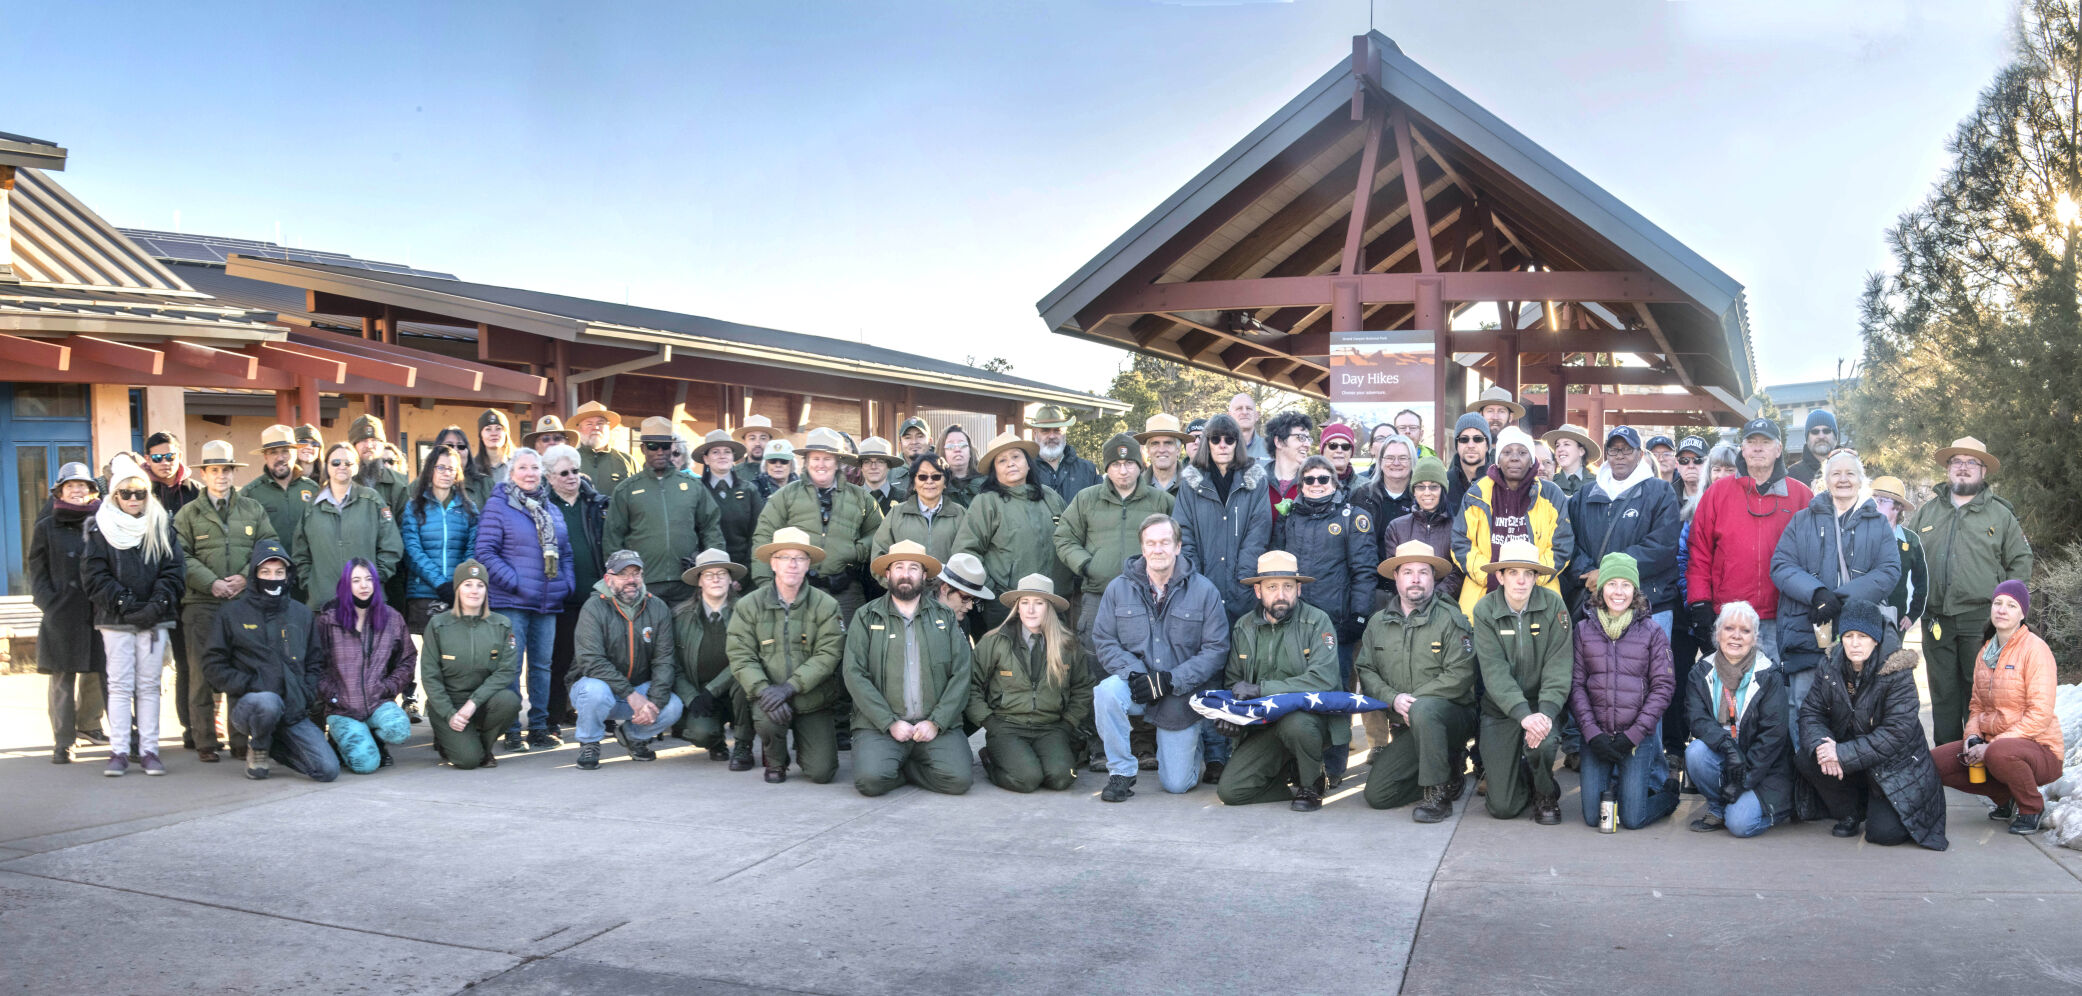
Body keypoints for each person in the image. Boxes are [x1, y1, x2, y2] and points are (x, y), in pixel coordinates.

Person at [1905, 436, 2034, 747]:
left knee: (1980, 691)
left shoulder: (2000, 516)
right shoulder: (1927, 512)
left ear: (1983, 471)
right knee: (1943, 691)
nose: (1963, 468)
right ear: (1948, 469)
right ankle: (1949, 758)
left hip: (1981, 619)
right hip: (1936, 620)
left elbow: (2020, 560)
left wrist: (2009, 610)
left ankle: (1981, 755)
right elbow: (1906, 557)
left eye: (1970, 463)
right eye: (1957, 462)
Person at [1090, 514, 1229, 801]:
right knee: (1106, 692)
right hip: (1136, 686)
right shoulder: (1118, 588)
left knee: (1176, 784)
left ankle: (1195, 742)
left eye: (1165, 542)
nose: (1158, 549)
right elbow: (1104, 639)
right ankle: (1121, 771)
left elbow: (1216, 649)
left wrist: (1170, 680)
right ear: (1142, 548)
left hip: (1180, 695)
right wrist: (1136, 674)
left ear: (1178, 546)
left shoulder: (1204, 591)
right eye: (1151, 543)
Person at [1768, 448, 1901, 748]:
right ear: (1825, 480)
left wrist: (1838, 598)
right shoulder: (1803, 520)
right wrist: (1816, 593)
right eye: (1836, 473)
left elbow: (1889, 570)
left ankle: (1846, 783)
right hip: (1807, 632)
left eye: (1850, 473)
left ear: (1861, 480)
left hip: (1857, 638)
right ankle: (1808, 781)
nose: (1843, 479)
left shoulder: (1877, 523)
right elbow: (1781, 565)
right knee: (1804, 708)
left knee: (1857, 712)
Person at [1794, 600, 1948, 849]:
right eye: (1849, 635)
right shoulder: (1830, 665)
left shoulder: (1897, 672)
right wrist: (1824, 747)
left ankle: (1874, 803)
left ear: (1876, 639)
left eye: (1863, 636)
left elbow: (1895, 733)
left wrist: (1841, 753)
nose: (1855, 643)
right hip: (1855, 760)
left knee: (1884, 834)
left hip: (1896, 766)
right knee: (1807, 756)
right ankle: (1851, 810)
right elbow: (1812, 712)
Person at [1271, 455, 1376, 785]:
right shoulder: (1289, 520)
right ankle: (1300, 765)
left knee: (1336, 696)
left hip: (1337, 624)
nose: (1316, 485)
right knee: (1296, 692)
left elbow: (1363, 572)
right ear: (1301, 484)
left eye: (1323, 479)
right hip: (1294, 622)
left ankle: (1334, 767)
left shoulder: (1353, 518)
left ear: (1336, 482)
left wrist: (1357, 617)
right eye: (1309, 479)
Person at [1210, 552, 1342, 811]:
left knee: (1296, 723)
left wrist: (1262, 689)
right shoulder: (1244, 627)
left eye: (1288, 587)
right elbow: (1234, 683)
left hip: (1310, 719)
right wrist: (1231, 716)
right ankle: (1283, 776)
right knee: (1231, 792)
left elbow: (1323, 679)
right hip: (1264, 725)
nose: (1281, 594)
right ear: (1258, 591)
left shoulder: (1317, 622)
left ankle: (1311, 783)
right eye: (1272, 587)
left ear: (1299, 589)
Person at [173, 441, 277, 763]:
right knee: (202, 673)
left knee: (241, 671)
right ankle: (205, 740)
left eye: (227, 470)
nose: (221, 476)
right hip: (201, 603)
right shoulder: (188, 514)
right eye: (214, 470)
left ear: (234, 473)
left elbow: (269, 546)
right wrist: (211, 582)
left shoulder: (252, 509)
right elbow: (179, 555)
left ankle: (239, 739)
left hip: (244, 603)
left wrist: (247, 577)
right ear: (204, 474)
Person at [842, 541, 974, 796]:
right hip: (880, 725)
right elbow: (854, 673)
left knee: (958, 781)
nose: (906, 574)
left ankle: (906, 767)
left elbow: (961, 672)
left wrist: (936, 722)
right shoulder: (866, 616)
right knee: (870, 782)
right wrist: (889, 722)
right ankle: (895, 763)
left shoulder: (944, 617)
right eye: (899, 567)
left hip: (932, 725)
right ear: (888, 574)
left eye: (914, 568)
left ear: (924, 575)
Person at [1933, 581, 2064, 835]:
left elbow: (2040, 714)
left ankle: (2031, 807)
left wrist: (1991, 746)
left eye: (2011, 605)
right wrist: (1972, 737)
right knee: (1935, 763)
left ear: (2022, 613)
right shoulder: (1985, 653)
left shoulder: (2035, 650)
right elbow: (1977, 705)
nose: (2002, 610)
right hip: (1996, 745)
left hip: (2040, 749)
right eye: (1998, 603)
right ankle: (2006, 798)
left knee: (1999, 753)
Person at [82, 454, 185, 777]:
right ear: (114, 495)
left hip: (155, 620)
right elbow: (94, 575)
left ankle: (150, 750)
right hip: (115, 621)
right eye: (126, 493)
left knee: (150, 685)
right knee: (120, 685)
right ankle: (119, 751)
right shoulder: (99, 527)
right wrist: (127, 605)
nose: (133, 499)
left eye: (140, 493)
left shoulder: (162, 525)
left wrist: (155, 605)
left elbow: (174, 571)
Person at [201, 539, 337, 782]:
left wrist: (306, 692)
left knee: (327, 770)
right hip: (251, 706)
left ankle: (273, 744)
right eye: (265, 572)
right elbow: (213, 663)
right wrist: (248, 683)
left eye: (279, 572)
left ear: (287, 575)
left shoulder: (302, 614)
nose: (272, 577)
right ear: (254, 574)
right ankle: (259, 747)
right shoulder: (232, 613)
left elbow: (316, 662)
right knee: (268, 701)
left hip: (293, 710)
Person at [1359, 541, 1477, 821]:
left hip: (1451, 718)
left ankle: (1438, 795)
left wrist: (1413, 701)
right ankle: (1448, 768)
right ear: (1396, 577)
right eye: (1407, 571)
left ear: (1433, 579)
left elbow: (1460, 674)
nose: (1415, 578)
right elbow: (1366, 669)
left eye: (1423, 572)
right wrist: (1393, 699)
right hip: (1408, 722)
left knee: (1424, 709)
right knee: (1378, 796)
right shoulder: (1378, 623)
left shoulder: (1451, 619)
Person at [1568, 553, 1680, 830]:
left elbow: (1663, 687)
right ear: (1601, 588)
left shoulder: (1653, 631)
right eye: (1612, 584)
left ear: (1635, 590)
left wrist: (1634, 735)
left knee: (1632, 819)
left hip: (1635, 738)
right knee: (1595, 817)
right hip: (1596, 736)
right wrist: (1591, 733)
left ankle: (1668, 796)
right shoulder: (1582, 630)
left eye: (1626, 585)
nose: (1618, 592)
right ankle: (1620, 789)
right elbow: (1575, 685)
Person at [1685, 417, 1811, 664]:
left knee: (1776, 694)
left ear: (1779, 449)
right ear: (1742, 448)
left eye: (1766, 442)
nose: (1757, 447)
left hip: (1783, 616)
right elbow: (1699, 553)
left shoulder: (1801, 495)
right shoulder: (1717, 493)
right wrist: (1700, 603)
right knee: (1730, 695)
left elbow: (1815, 556)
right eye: (1751, 441)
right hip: (1731, 617)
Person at [475, 447, 576, 753]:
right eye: (523, 468)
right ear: (512, 473)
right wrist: (516, 583)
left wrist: (567, 583)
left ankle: (540, 727)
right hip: (512, 602)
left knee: (542, 667)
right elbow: (485, 553)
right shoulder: (498, 506)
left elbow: (566, 552)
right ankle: (512, 729)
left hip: (548, 602)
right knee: (512, 667)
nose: (529, 473)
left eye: (534, 467)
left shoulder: (551, 508)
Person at [730, 527, 847, 783]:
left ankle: (806, 750)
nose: (792, 564)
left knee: (822, 773)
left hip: (812, 698)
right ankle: (775, 760)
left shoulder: (826, 605)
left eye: (800, 558)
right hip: (769, 696)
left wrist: (790, 687)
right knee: (768, 720)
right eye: (784, 557)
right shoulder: (748, 605)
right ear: (773, 563)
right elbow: (740, 654)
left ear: (808, 564)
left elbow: (829, 654)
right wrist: (763, 690)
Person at [1469, 539, 1571, 823]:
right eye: (1513, 573)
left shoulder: (1554, 606)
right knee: (1502, 807)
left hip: (1542, 705)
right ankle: (1526, 774)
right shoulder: (1485, 610)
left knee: (1546, 742)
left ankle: (1544, 792)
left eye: (1528, 574)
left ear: (1537, 577)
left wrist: (1545, 713)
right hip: (1501, 710)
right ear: (1500, 576)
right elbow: (1494, 672)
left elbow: (1558, 666)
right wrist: (1522, 715)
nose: (1521, 581)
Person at [968, 574, 1092, 793]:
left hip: (1051, 727)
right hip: (1006, 726)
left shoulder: (1067, 644)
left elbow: (1083, 688)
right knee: (1027, 779)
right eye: (1024, 602)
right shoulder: (995, 641)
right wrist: (989, 722)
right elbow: (971, 686)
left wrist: (1068, 724)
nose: (1030, 610)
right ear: (1017, 606)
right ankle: (991, 760)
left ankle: (1041, 758)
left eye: (1039, 603)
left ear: (1050, 607)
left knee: (1063, 778)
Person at [1055, 433, 1174, 651]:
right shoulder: (1086, 499)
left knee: (1145, 661)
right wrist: (1087, 565)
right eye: (1116, 464)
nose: (1123, 470)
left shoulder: (1162, 501)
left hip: (1148, 598)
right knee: (1094, 660)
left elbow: (1179, 542)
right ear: (1107, 467)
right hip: (1097, 596)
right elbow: (1064, 538)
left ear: (1140, 465)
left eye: (1129, 463)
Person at [751, 428, 881, 627]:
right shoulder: (784, 496)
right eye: (815, 458)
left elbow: (879, 533)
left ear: (838, 462)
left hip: (846, 592)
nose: (821, 465)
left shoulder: (860, 497)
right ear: (806, 461)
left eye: (827, 459)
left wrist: (856, 551)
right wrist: (768, 586)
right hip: (797, 590)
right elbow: (763, 538)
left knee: (848, 648)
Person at [567, 549, 684, 769]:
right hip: (597, 690)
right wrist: (631, 695)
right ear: (608, 578)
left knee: (673, 706)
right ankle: (589, 742)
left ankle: (633, 736)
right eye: (623, 574)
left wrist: (654, 704)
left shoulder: (657, 607)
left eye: (636, 573)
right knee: (595, 691)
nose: (631, 580)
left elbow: (664, 660)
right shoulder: (593, 607)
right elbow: (591, 661)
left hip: (638, 690)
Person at [1684, 601, 1792, 836]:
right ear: (1717, 633)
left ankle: (1778, 811)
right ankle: (1717, 807)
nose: (1736, 636)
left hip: (1763, 768)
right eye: (1729, 628)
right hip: (1725, 755)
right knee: (1695, 752)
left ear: (1754, 638)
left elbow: (1772, 737)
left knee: (1740, 825)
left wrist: (1744, 781)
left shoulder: (1769, 675)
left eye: (1745, 631)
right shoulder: (1701, 671)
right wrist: (1727, 746)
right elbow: (1697, 719)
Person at [953, 430, 1071, 632]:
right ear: (994, 470)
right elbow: (966, 553)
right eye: (1002, 461)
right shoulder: (986, 502)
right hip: (1007, 607)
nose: (1010, 463)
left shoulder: (1051, 497)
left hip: (1053, 603)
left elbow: (1071, 540)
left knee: (1052, 660)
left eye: (1016, 456)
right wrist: (994, 590)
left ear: (1027, 462)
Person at [1452, 426, 1574, 617]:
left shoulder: (1551, 494)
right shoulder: (1476, 494)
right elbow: (1461, 544)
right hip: (1482, 590)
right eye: (1507, 452)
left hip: (1540, 590)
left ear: (1532, 460)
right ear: (1497, 460)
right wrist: (1496, 577)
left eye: (1523, 452)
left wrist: (1528, 578)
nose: (1515, 458)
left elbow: (1562, 546)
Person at [1564, 426, 1679, 626]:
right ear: (1607, 453)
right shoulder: (1584, 494)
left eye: (1627, 449)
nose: (1620, 456)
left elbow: (1662, 545)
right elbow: (1568, 541)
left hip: (1648, 603)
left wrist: (1608, 574)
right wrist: (1589, 574)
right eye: (1614, 450)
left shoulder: (1660, 492)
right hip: (1595, 600)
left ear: (1640, 454)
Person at [32, 464, 107, 763]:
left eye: (83, 486)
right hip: (62, 613)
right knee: (63, 680)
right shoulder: (46, 525)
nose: (77, 490)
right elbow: (36, 570)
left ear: (91, 490)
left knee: (108, 676)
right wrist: (49, 602)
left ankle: (126, 739)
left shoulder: (106, 520)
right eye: (70, 486)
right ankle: (63, 743)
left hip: (100, 611)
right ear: (60, 491)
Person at [607, 417, 726, 606]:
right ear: (643, 448)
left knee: (688, 635)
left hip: (687, 581)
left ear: (672, 447)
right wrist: (621, 578)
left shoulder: (693, 486)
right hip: (644, 583)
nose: (660, 451)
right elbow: (613, 539)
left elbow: (711, 528)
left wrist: (710, 566)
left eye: (665, 445)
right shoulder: (626, 490)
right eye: (653, 446)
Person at [313, 560, 415, 774]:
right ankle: (340, 741)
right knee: (366, 765)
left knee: (399, 730)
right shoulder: (328, 620)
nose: (364, 586)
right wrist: (331, 695)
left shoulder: (392, 618)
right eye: (356, 580)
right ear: (345, 585)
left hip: (378, 702)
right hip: (342, 707)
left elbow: (408, 659)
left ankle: (372, 738)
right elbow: (313, 664)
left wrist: (389, 687)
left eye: (369, 580)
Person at [420, 560, 522, 770]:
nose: (474, 591)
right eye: (467, 584)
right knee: (467, 762)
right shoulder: (438, 624)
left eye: (480, 585)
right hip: (449, 703)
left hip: (482, 702)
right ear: (457, 589)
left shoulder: (501, 624)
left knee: (509, 701)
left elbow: (506, 671)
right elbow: (430, 676)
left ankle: (482, 747)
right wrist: (449, 713)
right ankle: (451, 739)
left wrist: (473, 703)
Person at [1173, 412, 1272, 624]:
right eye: (1215, 439)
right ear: (1207, 443)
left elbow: (1259, 533)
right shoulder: (1190, 484)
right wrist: (1196, 579)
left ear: (1237, 443)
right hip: (1200, 589)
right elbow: (1183, 533)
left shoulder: (1256, 482)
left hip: (1243, 591)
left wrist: (1243, 579)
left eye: (1229, 439)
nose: (1222, 445)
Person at [293, 442, 404, 613]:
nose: (342, 467)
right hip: (324, 603)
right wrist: (311, 583)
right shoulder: (312, 507)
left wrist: (375, 578)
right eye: (335, 462)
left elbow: (391, 545)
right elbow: (300, 552)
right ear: (327, 466)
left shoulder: (372, 500)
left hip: (367, 603)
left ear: (357, 467)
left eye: (348, 463)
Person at [545, 443, 608, 735]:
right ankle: (553, 717)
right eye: (564, 473)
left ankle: (603, 713)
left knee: (599, 657)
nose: (572, 477)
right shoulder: (543, 507)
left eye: (575, 471)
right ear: (549, 477)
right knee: (559, 659)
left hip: (595, 595)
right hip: (560, 597)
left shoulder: (597, 504)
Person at [143, 431, 200, 750]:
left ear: (180, 456)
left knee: (189, 663)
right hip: (149, 594)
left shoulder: (196, 493)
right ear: (147, 459)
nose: (165, 463)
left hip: (188, 592)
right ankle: (140, 734)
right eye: (158, 458)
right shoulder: (138, 492)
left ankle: (192, 726)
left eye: (170, 456)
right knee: (147, 668)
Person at [672, 549, 756, 768]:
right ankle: (715, 740)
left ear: (731, 579)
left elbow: (747, 658)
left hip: (738, 692)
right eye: (708, 574)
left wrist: (713, 689)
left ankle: (743, 744)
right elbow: (673, 665)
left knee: (743, 681)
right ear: (699, 581)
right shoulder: (681, 617)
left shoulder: (748, 611)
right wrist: (692, 698)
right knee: (700, 733)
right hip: (702, 695)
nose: (716, 578)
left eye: (722, 573)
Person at [402, 445, 480, 633]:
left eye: (451, 468)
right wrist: (440, 583)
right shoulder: (413, 507)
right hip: (423, 595)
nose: (446, 473)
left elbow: (472, 550)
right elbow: (412, 552)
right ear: (430, 470)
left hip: (460, 595)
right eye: (441, 467)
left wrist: (459, 583)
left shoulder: (469, 509)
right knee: (425, 658)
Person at [872, 450, 967, 568]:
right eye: (922, 477)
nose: (929, 481)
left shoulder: (960, 514)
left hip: (948, 586)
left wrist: (953, 586)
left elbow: (968, 555)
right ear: (914, 483)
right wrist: (897, 584)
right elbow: (879, 555)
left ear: (945, 482)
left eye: (936, 476)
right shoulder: (896, 513)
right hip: (905, 585)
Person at [241, 424, 321, 558]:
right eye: (273, 452)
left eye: (285, 451)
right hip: (269, 573)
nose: (280, 458)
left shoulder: (312, 489)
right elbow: (241, 541)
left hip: (306, 571)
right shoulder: (250, 494)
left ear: (295, 453)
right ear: (265, 456)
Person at [690, 429, 765, 571]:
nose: (722, 456)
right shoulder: (695, 490)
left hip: (744, 570)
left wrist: (744, 572)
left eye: (727, 451)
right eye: (715, 452)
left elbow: (758, 534)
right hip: (706, 570)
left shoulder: (749, 490)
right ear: (706, 459)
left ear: (733, 457)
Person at [1868, 476, 1928, 634]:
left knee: (1892, 658)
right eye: (1872, 499)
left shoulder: (1910, 541)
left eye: (1881, 501)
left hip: (1895, 620)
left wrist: (1913, 614)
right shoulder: (1858, 535)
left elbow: (1921, 581)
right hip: (1863, 617)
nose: (1874, 505)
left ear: (1898, 507)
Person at [1351, 433, 1419, 553]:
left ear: (1412, 461)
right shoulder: (1362, 496)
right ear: (1381, 461)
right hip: (1368, 568)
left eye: (1403, 458)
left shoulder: (1420, 498)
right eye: (1390, 457)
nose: (1396, 463)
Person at [1028, 404, 1100, 501]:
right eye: (1045, 431)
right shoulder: (1025, 471)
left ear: (1065, 433)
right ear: (1034, 434)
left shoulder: (1088, 470)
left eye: (1057, 430)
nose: (1052, 436)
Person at [347, 414, 409, 515]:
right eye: (363, 440)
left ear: (382, 445)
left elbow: (406, 524)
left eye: (374, 440)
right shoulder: (343, 480)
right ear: (353, 446)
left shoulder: (399, 483)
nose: (369, 445)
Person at [1262, 410, 1315, 524]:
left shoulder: (1314, 483)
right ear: (1279, 442)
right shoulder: (1258, 483)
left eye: (1308, 439)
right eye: (1300, 437)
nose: (1307, 444)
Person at [571, 401, 635, 493]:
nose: (595, 428)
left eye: (600, 423)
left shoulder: (627, 461)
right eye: (589, 424)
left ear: (608, 427)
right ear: (579, 429)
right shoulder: (569, 460)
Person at [467, 408, 516, 510]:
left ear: (506, 433)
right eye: (488, 429)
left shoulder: (518, 466)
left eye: (498, 428)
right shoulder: (471, 469)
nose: (494, 433)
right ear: (481, 435)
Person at [1443, 413, 1491, 515]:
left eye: (1478, 439)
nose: (1471, 445)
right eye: (1464, 439)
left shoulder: (1499, 483)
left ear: (1487, 445)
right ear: (1457, 445)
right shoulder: (1443, 483)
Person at [1134, 414, 1190, 496]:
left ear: (1178, 450)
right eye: (1155, 443)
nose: (1161, 450)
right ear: (1148, 450)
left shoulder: (1195, 485)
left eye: (1168, 443)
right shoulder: (1135, 487)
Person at [1785, 409, 1838, 492]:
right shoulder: (1792, 475)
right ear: (1807, 438)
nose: (1821, 436)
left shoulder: (1849, 470)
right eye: (1815, 432)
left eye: (1826, 431)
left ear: (1835, 436)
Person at [1542, 424, 1598, 501]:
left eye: (1566, 444)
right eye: (1557, 445)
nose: (1560, 449)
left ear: (1581, 451)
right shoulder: (1549, 482)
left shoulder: (1598, 482)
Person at [855, 436, 907, 514]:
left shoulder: (904, 498)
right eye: (867, 462)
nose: (873, 467)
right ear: (861, 467)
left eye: (880, 461)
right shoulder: (851, 498)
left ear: (889, 466)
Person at [733, 414, 779, 494]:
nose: (757, 443)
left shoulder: (780, 471)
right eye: (752, 438)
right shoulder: (734, 473)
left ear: (770, 442)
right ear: (744, 442)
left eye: (763, 438)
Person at [939, 424, 982, 506]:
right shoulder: (935, 485)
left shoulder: (987, 484)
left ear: (970, 451)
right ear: (942, 452)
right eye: (950, 446)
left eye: (962, 445)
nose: (957, 449)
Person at [1229, 392, 1271, 463]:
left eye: (1249, 408)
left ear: (1257, 416)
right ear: (1229, 416)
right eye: (1239, 408)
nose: (1245, 412)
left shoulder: (1271, 448)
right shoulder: (1220, 448)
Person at [1672, 436, 1708, 514]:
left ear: (1708, 463)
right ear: (1677, 465)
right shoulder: (1668, 496)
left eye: (1698, 460)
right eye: (1684, 460)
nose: (1691, 466)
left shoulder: (1718, 495)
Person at [1318, 423, 1360, 487]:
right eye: (1333, 446)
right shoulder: (1308, 482)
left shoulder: (1367, 487)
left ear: (1351, 452)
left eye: (1345, 446)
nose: (1339, 451)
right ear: (1322, 451)